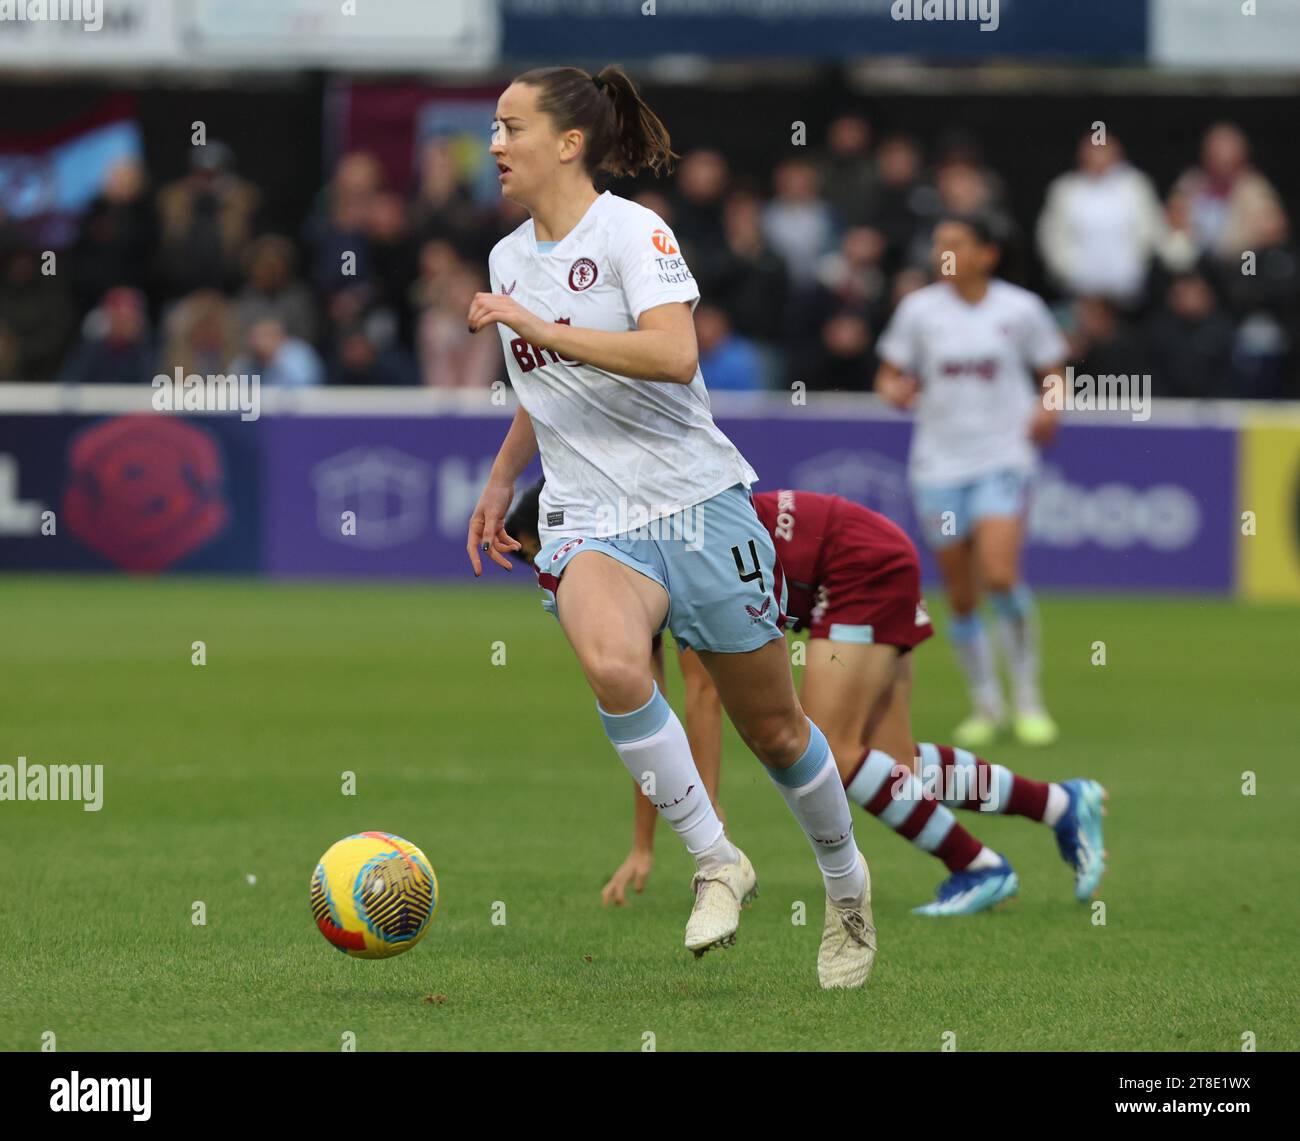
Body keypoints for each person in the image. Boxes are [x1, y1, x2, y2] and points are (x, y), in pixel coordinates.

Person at [465, 64, 874, 988]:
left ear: (570, 143)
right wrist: (502, 478)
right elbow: (544, 386)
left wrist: (539, 323)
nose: (495, 144)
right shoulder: (506, 259)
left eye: (511, 126)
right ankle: (717, 857)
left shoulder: (634, 232)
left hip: (694, 502)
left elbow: (671, 351)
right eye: (495, 126)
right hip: (587, 514)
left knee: (774, 730)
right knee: (613, 665)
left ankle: (847, 884)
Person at [507, 480, 1107, 916]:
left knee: (830, 750)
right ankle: (1059, 805)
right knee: (894, 766)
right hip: (871, 551)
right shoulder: (637, 569)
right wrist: (644, 844)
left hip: (858, 566)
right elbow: (647, 710)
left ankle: (976, 865)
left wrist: (709, 843)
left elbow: (700, 704)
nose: (553, 579)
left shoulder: (665, 565)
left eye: (541, 557)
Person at [874, 214, 1067, 749]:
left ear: (988, 253)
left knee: (1001, 575)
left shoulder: (1020, 309)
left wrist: (1050, 409)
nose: (944, 253)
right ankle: (986, 702)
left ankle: (1027, 698)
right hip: (938, 465)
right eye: (939, 243)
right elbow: (889, 372)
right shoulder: (919, 311)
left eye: (956, 244)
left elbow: (1053, 372)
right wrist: (894, 389)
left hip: (1004, 457)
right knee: (960, 594)